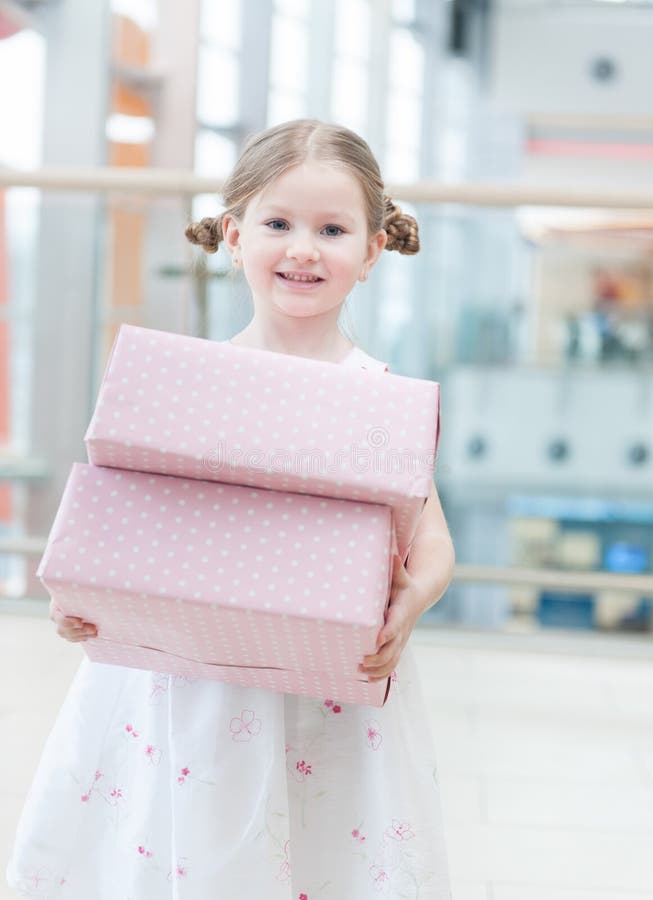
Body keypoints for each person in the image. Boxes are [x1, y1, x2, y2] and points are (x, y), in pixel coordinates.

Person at [7, 119, 455, 899]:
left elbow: (431, 539)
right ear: (232, 235)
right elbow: (127, 517)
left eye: (331, 229)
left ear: (372, 249)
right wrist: (85, 601)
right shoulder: (184, 382)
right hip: (183, 678)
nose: (303, 248)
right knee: (183, 837)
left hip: (324, 688)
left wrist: (412, 600)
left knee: (318, 844)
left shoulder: (377, 397)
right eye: (278, 224)